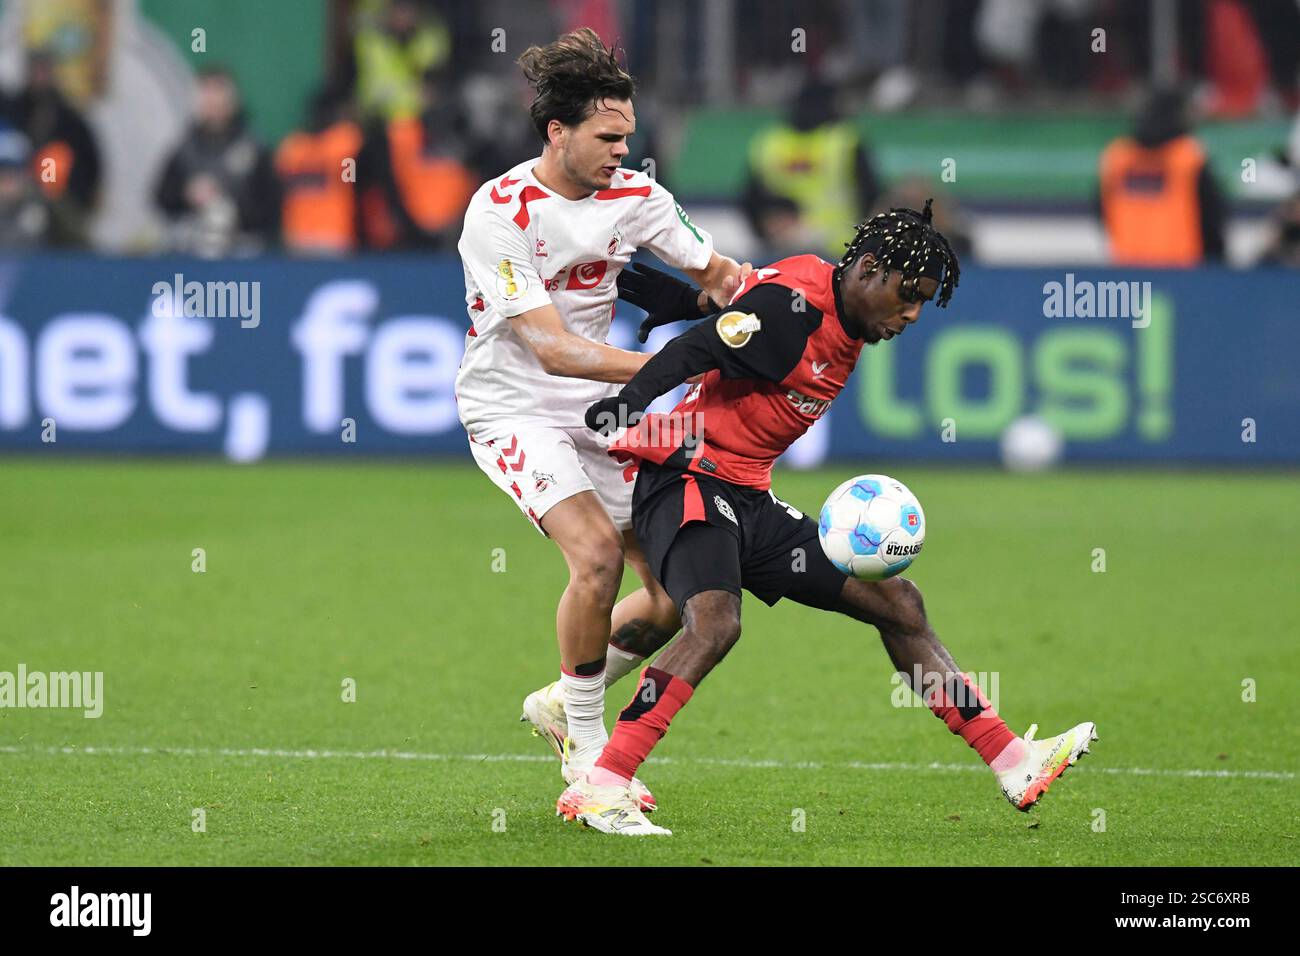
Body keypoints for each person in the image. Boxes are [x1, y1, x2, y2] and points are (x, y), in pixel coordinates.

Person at [557, 202, 1097, 836]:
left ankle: (1012, 760)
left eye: (923, 302)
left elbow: (735, 314)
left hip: (745, 496)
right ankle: (602, 781)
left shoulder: (828, 308)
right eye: (906, 295)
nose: (912, 314)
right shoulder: (798, 312)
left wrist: (681, 297)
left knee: (898, 603)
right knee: (715, 623)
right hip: (687, 481)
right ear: (868, 269)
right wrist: (627, 406)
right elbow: (700, 351)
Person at [454, 29, 750, 813]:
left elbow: (721, 279)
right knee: (594, 559)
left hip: (599, 408)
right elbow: (551, 349)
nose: (625, 150)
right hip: (512, 404)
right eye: (608, 136)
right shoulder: (500, 210)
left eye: (629, 135)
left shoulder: (640, 198)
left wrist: (776, 312)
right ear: (557, 131)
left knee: (666, 601)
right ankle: (590, 756)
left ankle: (558, 701)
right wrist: (691, 363)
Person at [154, 66, 279, 257]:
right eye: (206, 93)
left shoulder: (254, 148)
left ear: (232, 100)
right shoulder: (184, 148)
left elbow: (270, 207)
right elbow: (161, 197)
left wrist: (229, 204)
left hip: (242, 249)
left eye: (218, 92)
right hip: (192, 248)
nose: (211, 100)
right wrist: (187, 193)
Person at [1098, 88, 1226, 267]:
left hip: (1127, 271)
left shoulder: (1117, 157)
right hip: (1183, 273)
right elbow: (1211, 218)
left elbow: (1102, 211)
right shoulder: (1189, 157)